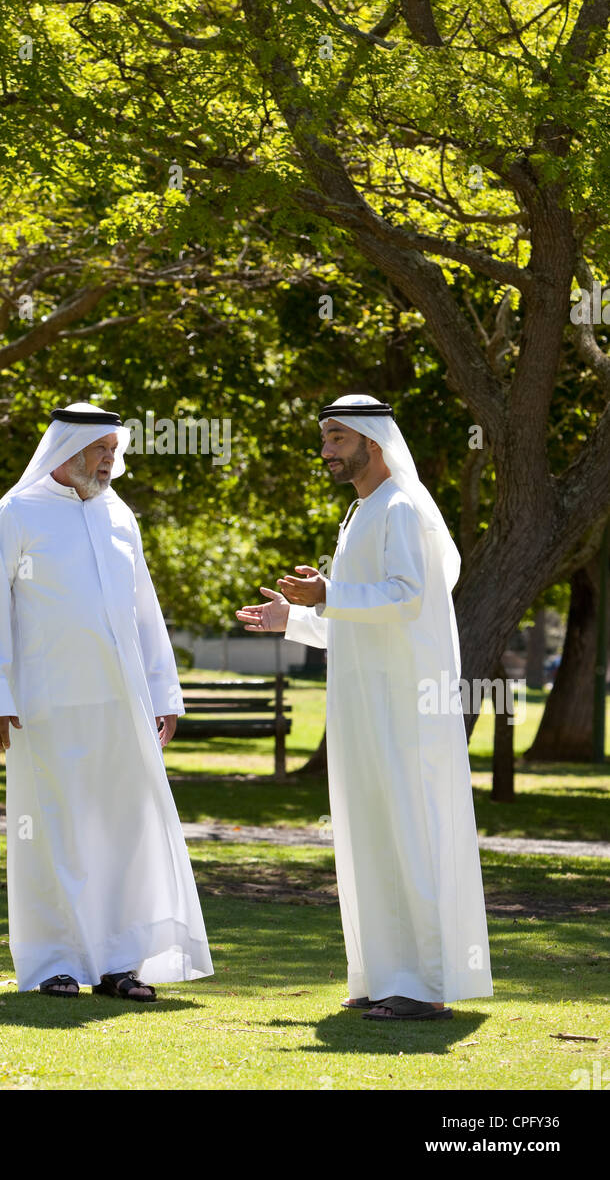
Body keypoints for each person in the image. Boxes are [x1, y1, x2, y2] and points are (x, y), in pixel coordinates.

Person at [236, 394, 492, 1021]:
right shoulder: (360, 512)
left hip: (402, 707)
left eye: (336, 438)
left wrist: (329, 592)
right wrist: (294, 617)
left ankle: (424, 985)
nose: (325, 450)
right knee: (367, 836)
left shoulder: (400, 506)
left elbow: (406, 599)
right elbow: (354, 618)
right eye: (324, 437)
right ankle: (383, 976)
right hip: (362, 707)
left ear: (371, 442)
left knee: (408, 831)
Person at [0, 401, 213, 1000]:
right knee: (52, 829)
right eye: (101, 450)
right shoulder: (15, 513)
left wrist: (165, 693)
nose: (111, 460)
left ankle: (118, 964)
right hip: (44, 707)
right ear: (66, 450)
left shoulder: (119, 515)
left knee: (122, 829)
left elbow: (145, 611)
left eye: (115, 449)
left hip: (121, 705)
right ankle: (52, 963)